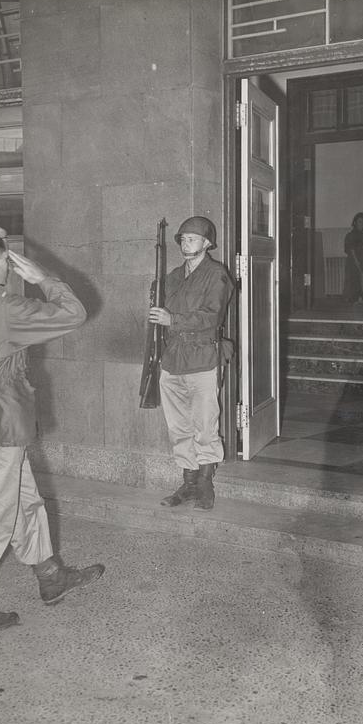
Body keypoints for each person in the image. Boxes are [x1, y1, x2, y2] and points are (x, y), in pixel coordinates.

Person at [0, 223, 104, 630]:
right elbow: (74, 313)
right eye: (5, 260)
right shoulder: (0, 308)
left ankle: (50, 576)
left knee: (24, 501)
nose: (8, 269)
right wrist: (42, 278)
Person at [149, 216, 234, 511]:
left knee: (205, 424)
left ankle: (206, 483)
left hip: (202, 358)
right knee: (178, 426)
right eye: (184, 239)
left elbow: (212, 316)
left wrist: (173, 320)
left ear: (207, 243)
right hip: (173, 360)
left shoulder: (217, 275)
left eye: (193, 239)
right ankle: (188, 482)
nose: (187, 244)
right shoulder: (172, 276)